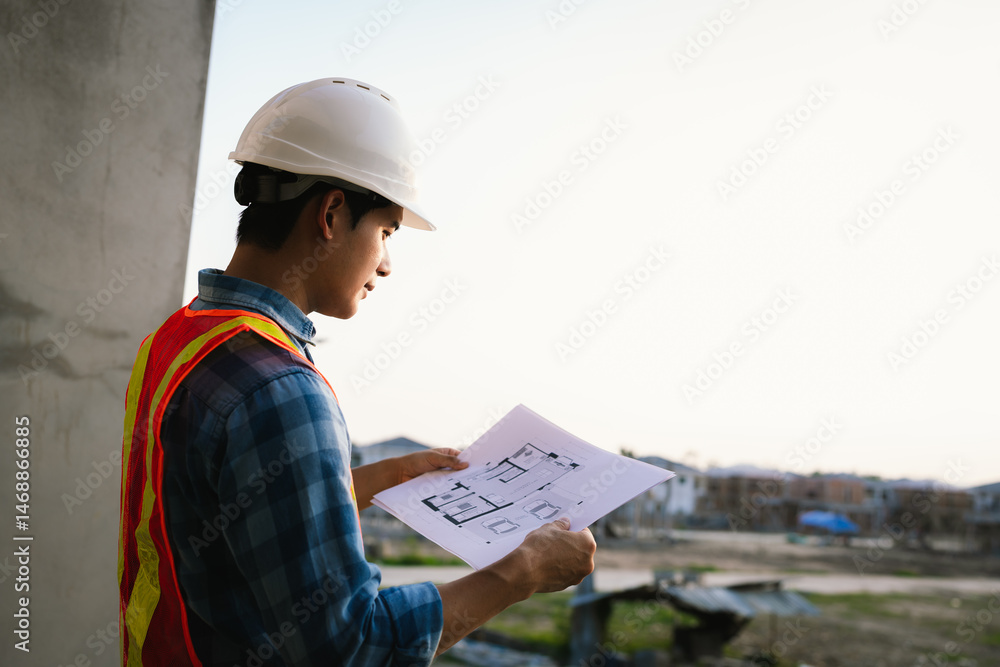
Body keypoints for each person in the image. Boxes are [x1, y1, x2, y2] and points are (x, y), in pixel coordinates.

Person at [118, 77, 595, 666]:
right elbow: (349, 645)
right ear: (331, 213)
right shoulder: (280, 387)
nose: (388, 265)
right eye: (387, 231)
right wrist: (522, 571)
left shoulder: (182, 338)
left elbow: (219, 511)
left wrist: (373, 481)